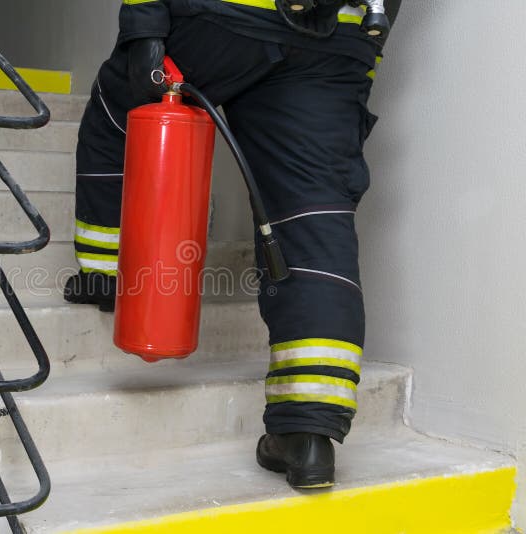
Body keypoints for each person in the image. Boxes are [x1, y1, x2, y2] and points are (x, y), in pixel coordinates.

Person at [64, 0, 400, 489]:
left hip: (224, 17)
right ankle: (307, 430)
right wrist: (366, 51)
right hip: (335, 37)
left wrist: (143, 28)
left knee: (116, 113)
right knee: (312, 214)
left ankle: (106, 275)